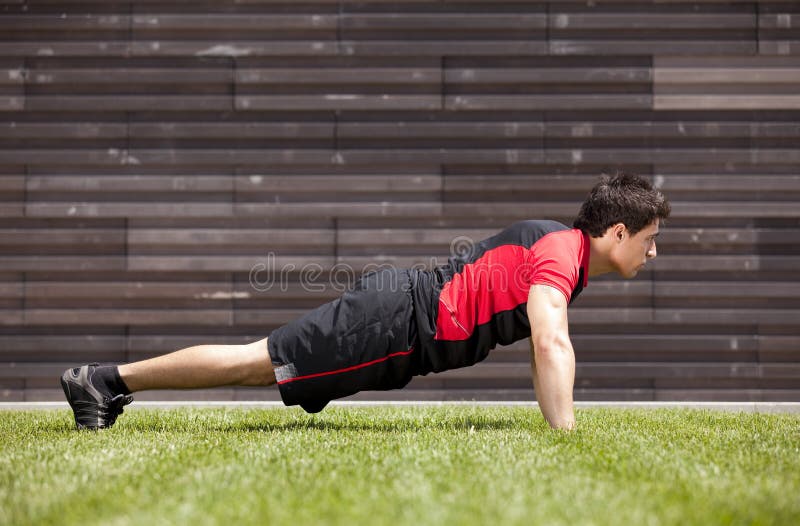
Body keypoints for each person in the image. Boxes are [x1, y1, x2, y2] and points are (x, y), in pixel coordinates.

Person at [61, 172, 670, 431]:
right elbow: (550, 340)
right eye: (649, 240)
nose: (651, 253)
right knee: (254, 362)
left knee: (258, 364)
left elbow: (545, 347)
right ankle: (105, 380)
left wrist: (556, 421)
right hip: (390, 325)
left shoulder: (562, 251)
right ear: (617, 231)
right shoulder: (562, 254)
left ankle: (106, 381)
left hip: (393, 319)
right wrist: (566, 433)